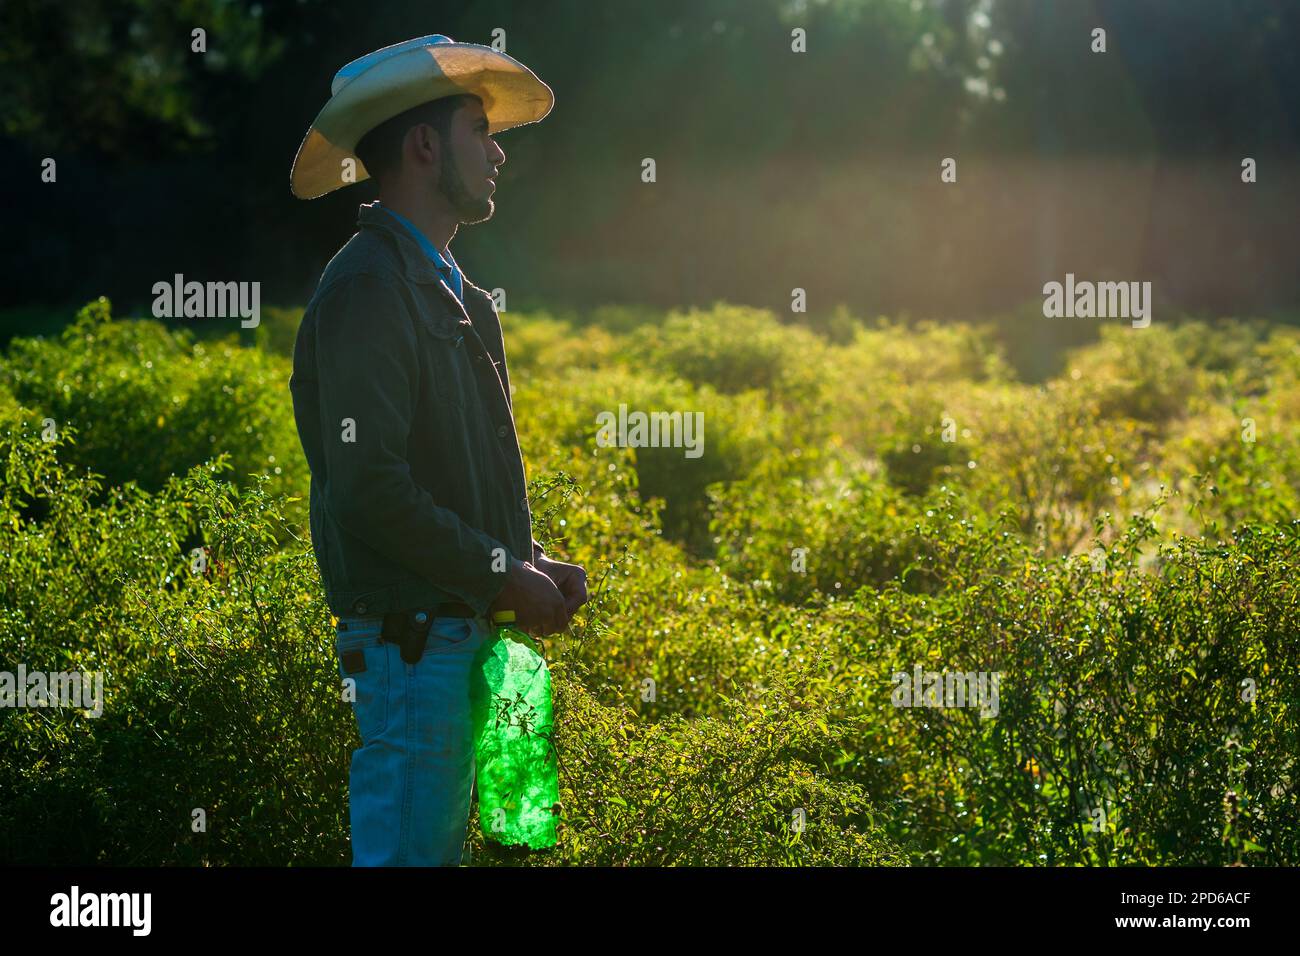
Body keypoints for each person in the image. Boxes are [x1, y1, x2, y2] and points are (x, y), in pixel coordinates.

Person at [287, 34, 587, 866]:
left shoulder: (458, 293)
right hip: (411, 645)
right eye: (478, 130)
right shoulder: (369, 287)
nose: (497, 153)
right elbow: (369, 487)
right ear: (425, 145)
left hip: (463, 635)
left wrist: (531, 560)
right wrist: (505, 574)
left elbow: (442, 477)